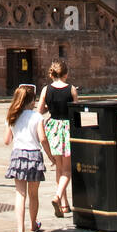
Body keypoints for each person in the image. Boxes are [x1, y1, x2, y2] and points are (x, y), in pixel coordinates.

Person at [4, 83, 46, 232]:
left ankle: (20, 231)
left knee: (20, 194)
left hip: (18, 156)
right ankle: (33, 224)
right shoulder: (36, 116)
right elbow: (42, 138)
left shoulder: (12, 115)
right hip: (34, 156)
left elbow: (6, 140)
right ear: (32, 101)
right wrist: (50, 155)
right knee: (33, 194)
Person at [37, 60, 77, 217]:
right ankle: (58, 196)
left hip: (52, 128)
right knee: (67, 170)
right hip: (67, 128)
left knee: (59, 167)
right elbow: (76, 111)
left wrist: (50, 106)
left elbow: (40, 110)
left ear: (52, 74)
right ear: (66, 74)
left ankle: (64, 204)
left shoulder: (46, 90)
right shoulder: (71, 89)